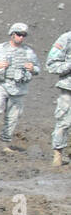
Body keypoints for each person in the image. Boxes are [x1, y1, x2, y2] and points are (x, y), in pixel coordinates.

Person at [0, 22, 40, 151]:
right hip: (0, 85)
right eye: (18, 34)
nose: (21, 37)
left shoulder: (29, 52)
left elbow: (38, 68)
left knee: (13, 117)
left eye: (24, 35)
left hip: (19, 89)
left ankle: (5, 144)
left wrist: (33, 68)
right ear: (12, 34)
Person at [47, 28, 71, 167]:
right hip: (69, 89)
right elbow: (51, 65)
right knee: (64, 122)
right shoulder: (66, 39)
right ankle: (58, 154)